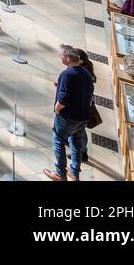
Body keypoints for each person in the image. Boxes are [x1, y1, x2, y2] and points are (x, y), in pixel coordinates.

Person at [45, 44, 94, 182]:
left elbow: (64, 98)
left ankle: (60, 174)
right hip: (83, 116)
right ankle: (74, 172)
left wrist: (57, 108)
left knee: (58, 140)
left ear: (67, 58)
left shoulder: (67, 74)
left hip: (68, 117)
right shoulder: (85, 72)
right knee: (76, 142)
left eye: (60, 55)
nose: (59, 57)